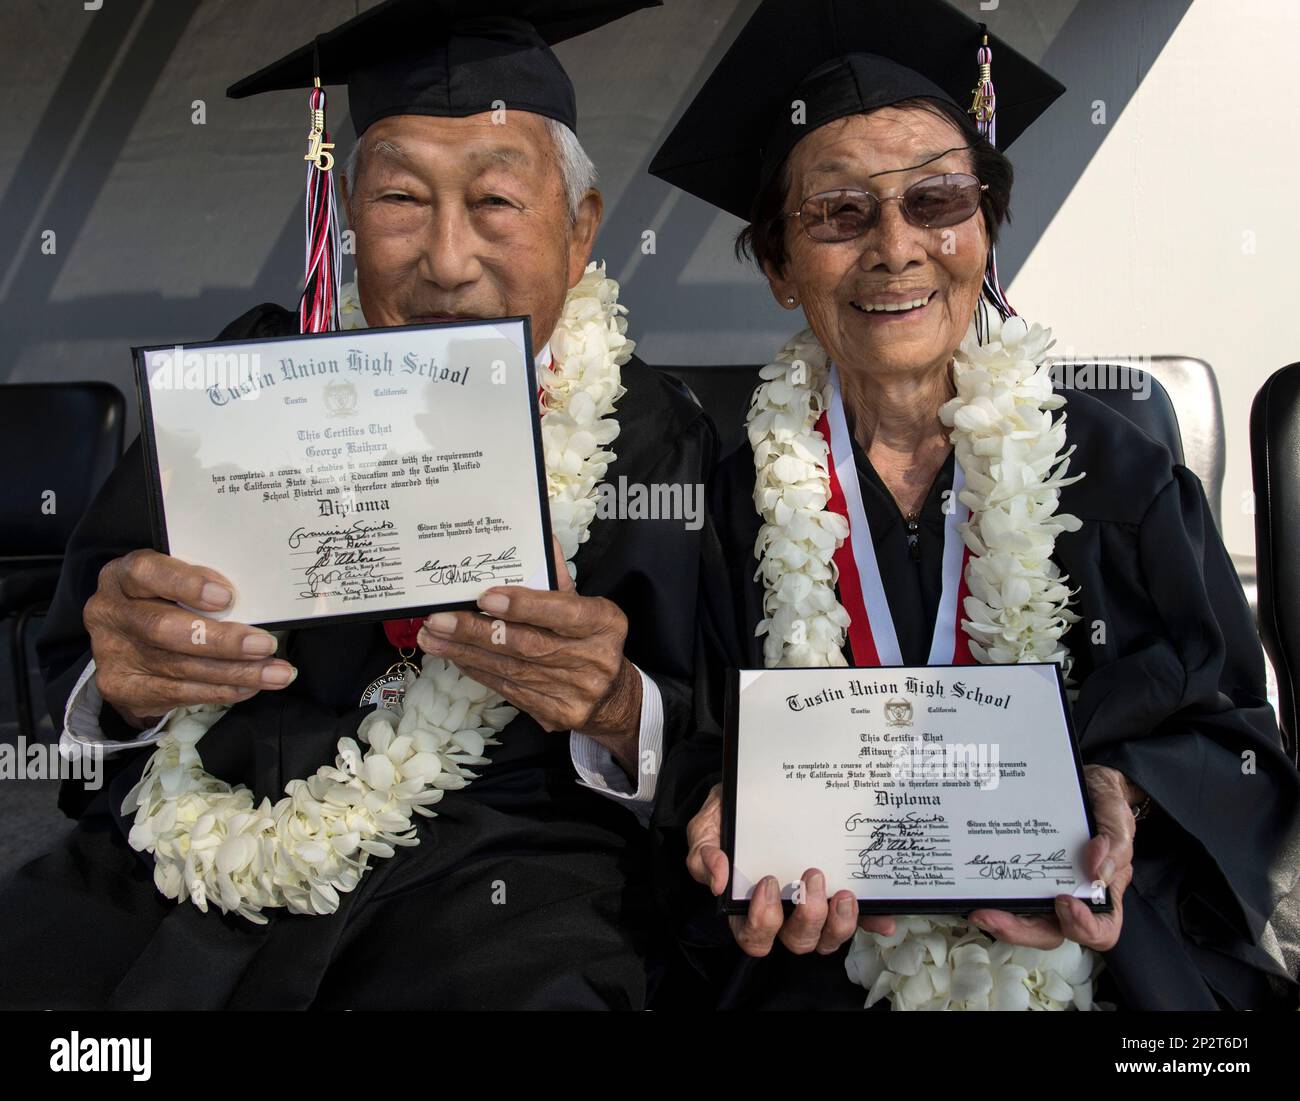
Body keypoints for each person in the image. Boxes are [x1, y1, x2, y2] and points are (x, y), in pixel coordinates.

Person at [0, 0, 716, 1010]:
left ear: (578, 229)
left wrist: (612, 703)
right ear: (341, 214)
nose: (447, 258)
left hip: (505, 876)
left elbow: (710, 740)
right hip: (190, 860)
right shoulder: (236, 389)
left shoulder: (653, 436)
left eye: (497, 203)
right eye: (400, 199)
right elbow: (88, 686)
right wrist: (119, 682)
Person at [648, 0, 1299, 1010]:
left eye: (938, 201)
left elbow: (1228, 731)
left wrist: (1118, 803)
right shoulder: (733, 501)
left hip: (1089, 954)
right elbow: (690, 735)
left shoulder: (1117, 475)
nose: (897, 248)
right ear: (780, 268)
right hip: (820, 950)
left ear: (986, 228)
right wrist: (719, 809)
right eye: (838, 213)